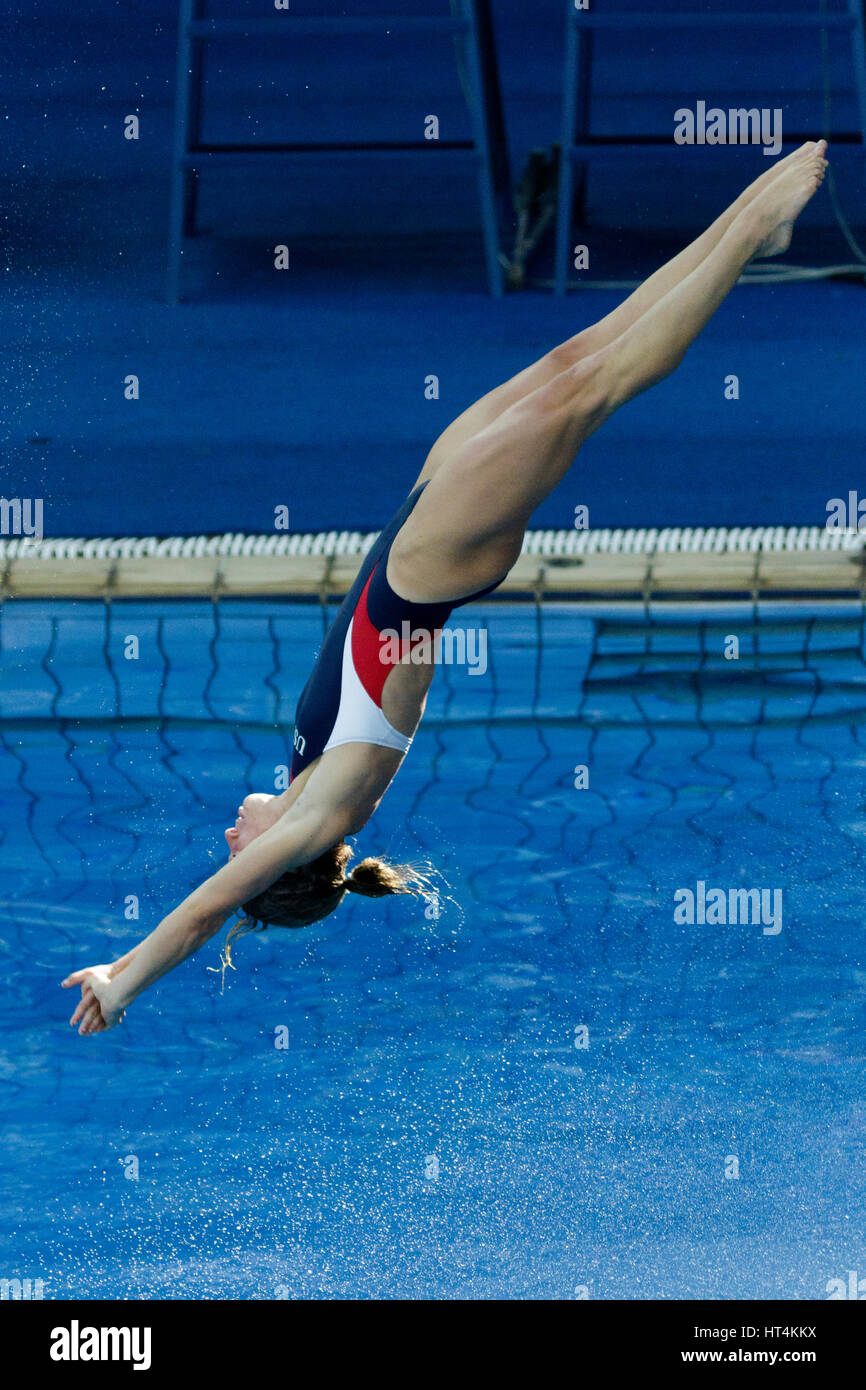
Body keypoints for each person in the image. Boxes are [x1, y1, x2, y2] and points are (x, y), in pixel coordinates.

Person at [64, 141, 828, 1035]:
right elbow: (202, 914)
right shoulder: (318, 815)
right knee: (593, 388)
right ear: (274, 863)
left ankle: (745, 220)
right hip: (432, 565)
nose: (228, 839)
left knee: (575, 359)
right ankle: (750, 231)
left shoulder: (312, 785)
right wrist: (121, 979)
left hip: (415, 536)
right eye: (237, 853)